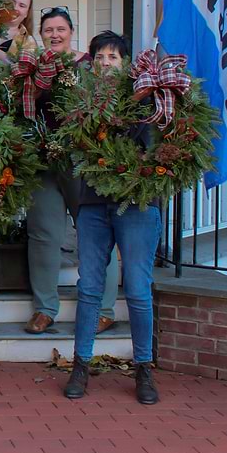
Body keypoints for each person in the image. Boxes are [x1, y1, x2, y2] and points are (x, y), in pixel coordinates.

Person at [65, 30, 160, 405]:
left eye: (113, 57)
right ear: (92, 63)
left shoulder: (146, 102)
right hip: (93, 204)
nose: (106, 63)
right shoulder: (81, 103)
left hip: (137, 205)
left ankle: (144, 368)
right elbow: (75, 147)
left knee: (137, 288)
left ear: (124, 63)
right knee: (89, 287)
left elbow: (154, 153)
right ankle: (81, 364)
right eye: (100, 57)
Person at [23, 7, 118, 335]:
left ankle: (103, 309)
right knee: (43, 234)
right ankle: (45, 308)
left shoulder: (88, 66)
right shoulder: (32, 67)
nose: (55, 34)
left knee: (95, 234)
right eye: (48, 29)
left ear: (71, 31)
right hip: (44, 160)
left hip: (81, 162)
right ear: (41, 33)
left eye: (61, 28)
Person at [0, 0, 39, 67]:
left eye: (22, 5)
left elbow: (27, 72)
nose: (14, 7)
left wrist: (3, 57)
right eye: (11, 2)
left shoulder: (29, 42)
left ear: (27, 13)